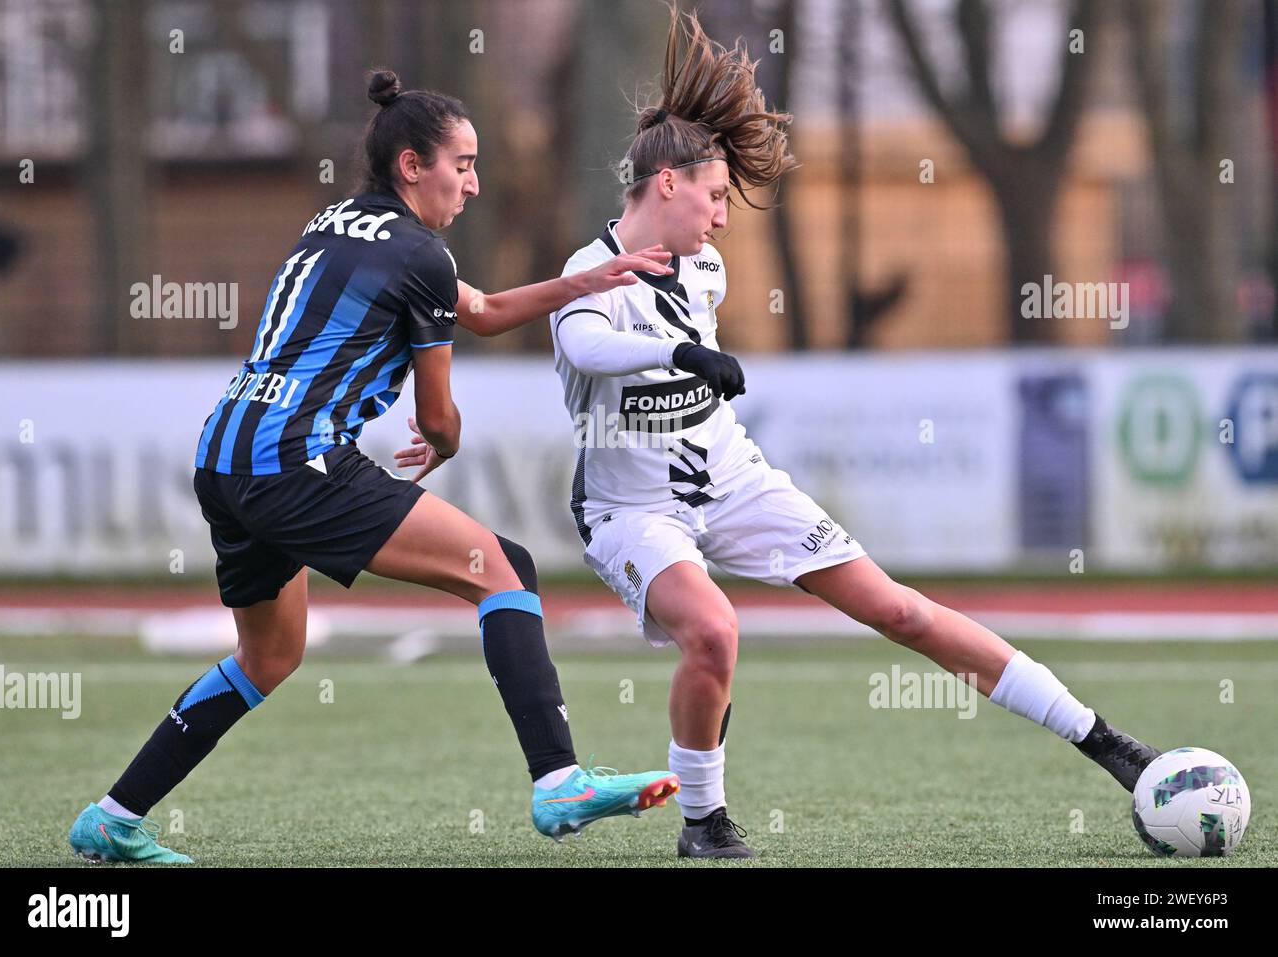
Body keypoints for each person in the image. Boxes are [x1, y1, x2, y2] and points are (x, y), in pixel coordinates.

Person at [542, 7, 1160, 859]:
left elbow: (674, 333)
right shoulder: (587, 272)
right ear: (669, 184)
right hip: (631, 509)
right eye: (716, 197)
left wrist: (688, 350)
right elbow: (586, 343)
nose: (723, 218)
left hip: (734, 478)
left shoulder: (708, 268)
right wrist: (680, 350)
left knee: (902, 609)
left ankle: (1109, 743)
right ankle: (705, 822)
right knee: (714, 630)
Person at [67, 70, 681, 864]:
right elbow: (436, 418)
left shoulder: (337, 220)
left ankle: (113, 816)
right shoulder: (423, 254)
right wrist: (447, 442)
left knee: (268, 656)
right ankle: (558, 778)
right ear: (411, 166)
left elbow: (485, 310)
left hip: (224, 453)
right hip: (296, 461)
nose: (474, 182)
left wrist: (582, 282)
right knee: (504, 568)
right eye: (462, 163)